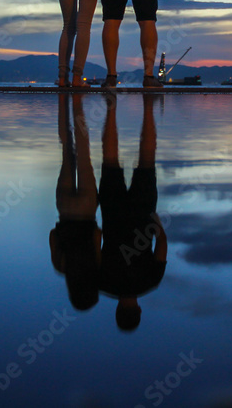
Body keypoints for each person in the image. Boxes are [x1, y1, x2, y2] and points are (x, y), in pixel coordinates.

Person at [98, 94, 167, 330]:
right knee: (110, 158)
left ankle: (148, 109)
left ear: (138, 310)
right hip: (113, 214)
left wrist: (157, 226)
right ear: (118, 310)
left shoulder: (150, 283)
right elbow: (95, 246)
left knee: (147, 157)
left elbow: (162, 249)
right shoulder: (102, 284)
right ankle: (111, 107)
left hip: (141, 213)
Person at [49, 93, 101, 311]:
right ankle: (66, 104)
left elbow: (97, 235)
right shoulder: (61, 267)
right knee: (66, 152)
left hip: (87, 210)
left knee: (83, 154)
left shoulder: (96, 268)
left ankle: (77, 105)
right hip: (65, 209)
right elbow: (53, 235)